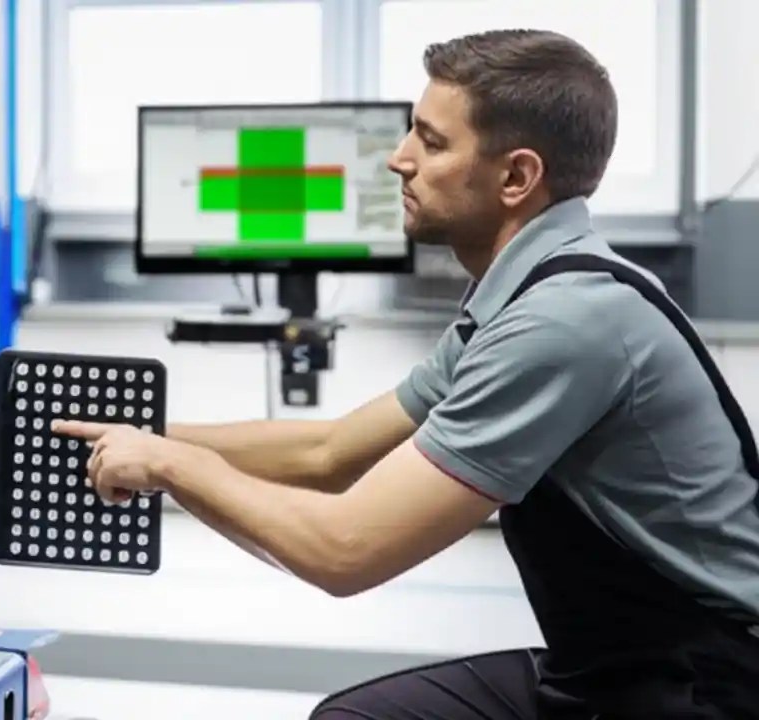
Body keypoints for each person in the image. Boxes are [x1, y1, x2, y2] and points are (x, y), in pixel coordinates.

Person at [52, 28, 759, 719]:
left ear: (516, 176)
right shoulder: (527, 295)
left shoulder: (565, 324)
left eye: (431, 140)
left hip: (705, 685)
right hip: (613, 668)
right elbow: (327, 454)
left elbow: (343, 550)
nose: (398, 159)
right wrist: (140, 436)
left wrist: (171, 466)